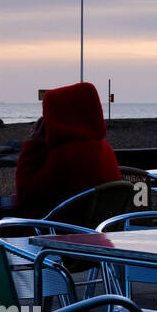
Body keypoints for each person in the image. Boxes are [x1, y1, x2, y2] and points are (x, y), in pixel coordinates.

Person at [14, 81, 120, 217]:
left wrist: (33, 144)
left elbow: (26, 196)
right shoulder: (105, 149)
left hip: (57, 232)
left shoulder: (66, 156)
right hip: (99, 231)